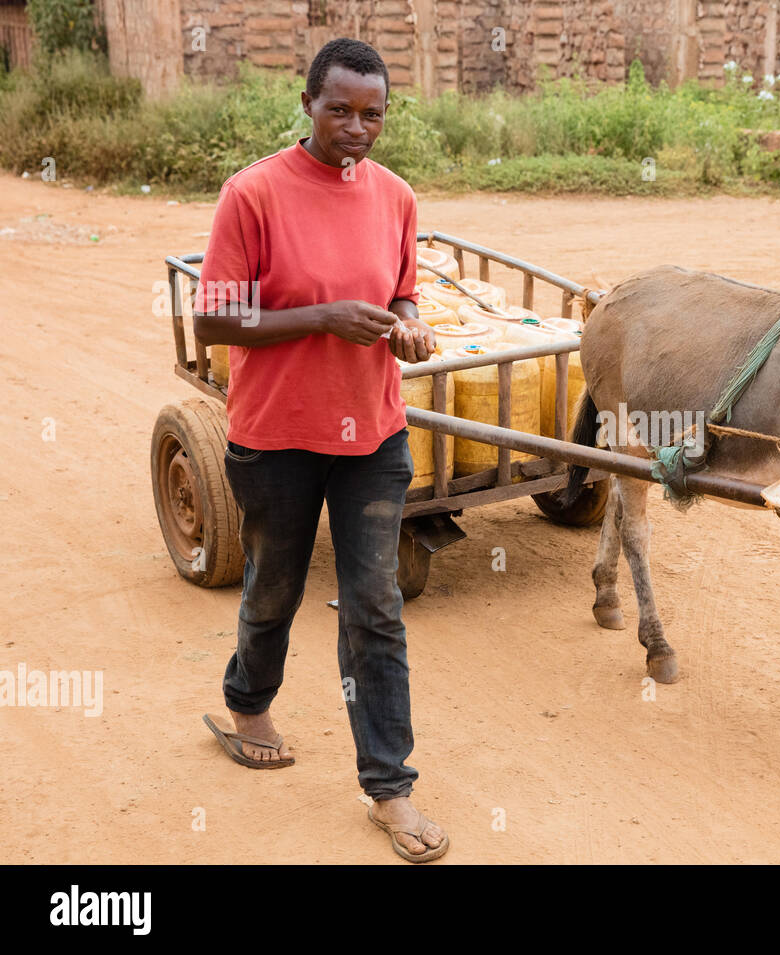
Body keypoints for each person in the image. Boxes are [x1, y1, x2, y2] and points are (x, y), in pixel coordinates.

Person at [193, 37, 448, 863]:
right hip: (275, 434)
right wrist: (321, 317)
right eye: (339, 109)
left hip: (371, 429)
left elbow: (401, 286)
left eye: (372, 114)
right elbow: (216, 321)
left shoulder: (397, 197)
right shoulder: (253, 194)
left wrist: (407, 324)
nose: (356, 127)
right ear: (308, 103)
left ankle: (391, 786)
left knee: (373, 602)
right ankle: (248, 700)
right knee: (276, 584)